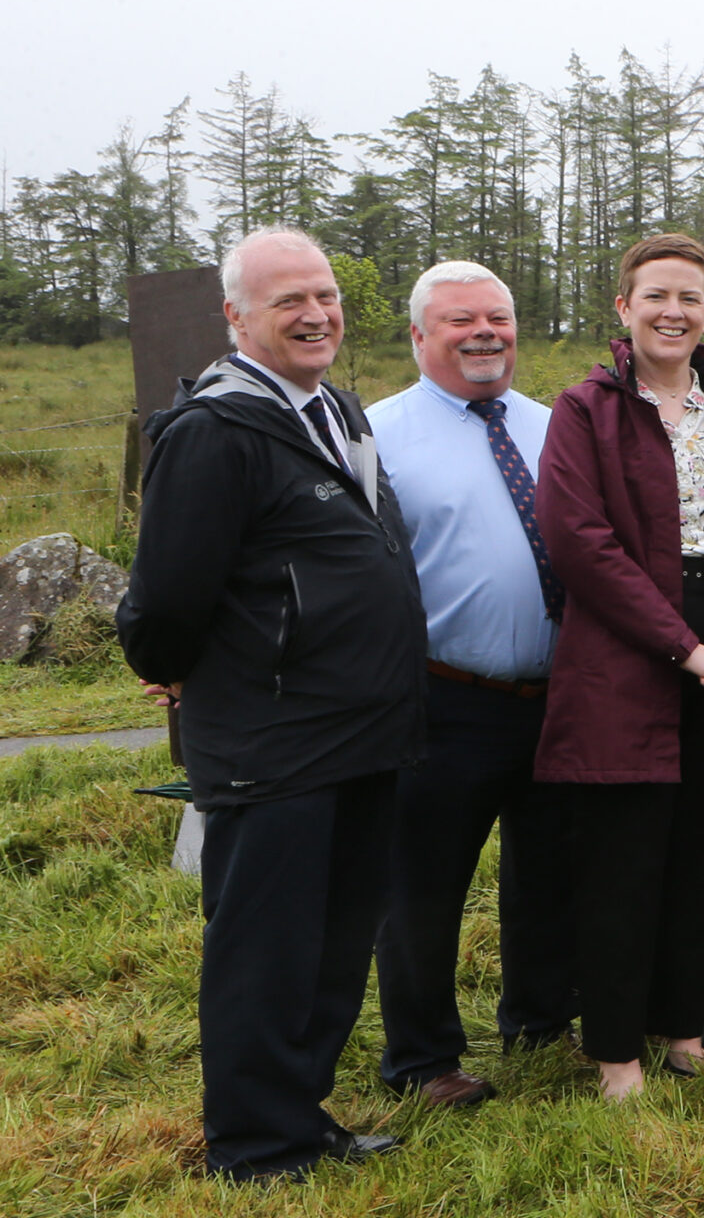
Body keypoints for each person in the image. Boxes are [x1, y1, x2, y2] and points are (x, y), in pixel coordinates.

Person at [117, 226, 426, 1180]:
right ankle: (252, 1146)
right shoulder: (214, 431)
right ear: (236, 315)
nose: (315, 313)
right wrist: (166, 664)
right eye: (287, 298)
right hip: (274, 737)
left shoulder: (330, 406)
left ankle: (299, 1114)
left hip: (364, 733)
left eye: (324, 295)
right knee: (266, 950)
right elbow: (167, 596)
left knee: (335, 945)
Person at [534, 233, 704, 1100]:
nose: (672, 312)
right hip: (628, 656)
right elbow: (580, 542)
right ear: (623, 308)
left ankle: (683, 1025)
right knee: (624, 864)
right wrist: (683, 647)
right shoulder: (586, 410)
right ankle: (616, 1051)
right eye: (655, 296)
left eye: (689, 297)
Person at [367, 260, 575, 1111]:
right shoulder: (374, 435)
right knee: (422, 887)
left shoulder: (557, 425)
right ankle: (422, 1058)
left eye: (497, 315)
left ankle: (541, 1019)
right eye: (460, 320)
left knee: (551, 873)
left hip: (560, 698)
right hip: (440, 698)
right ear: (419, 335)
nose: (484, 332)